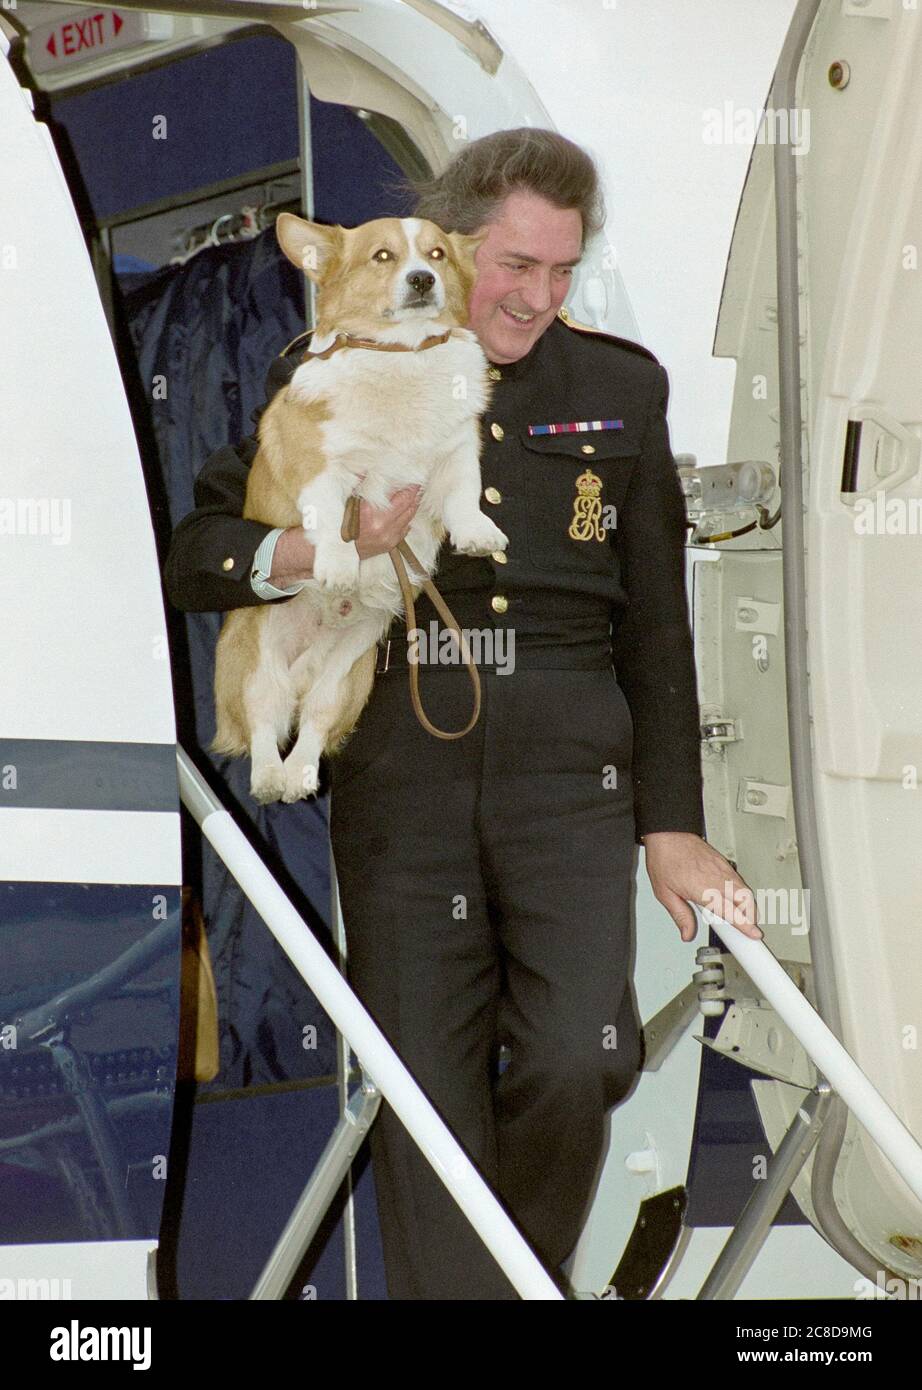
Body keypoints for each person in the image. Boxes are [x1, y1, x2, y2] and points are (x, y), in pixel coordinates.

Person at [164, 128, 761, 1300]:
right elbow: (199, 553)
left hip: (567, 768)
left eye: (560, 271)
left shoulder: (620, 388)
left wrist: (672, 823)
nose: (536, 298)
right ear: (443, 248)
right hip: (403, 761)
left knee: (580, 1055)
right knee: (420, 1081)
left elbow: (656, 624)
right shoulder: (332, 377)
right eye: (513, 267)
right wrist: (295, 551)